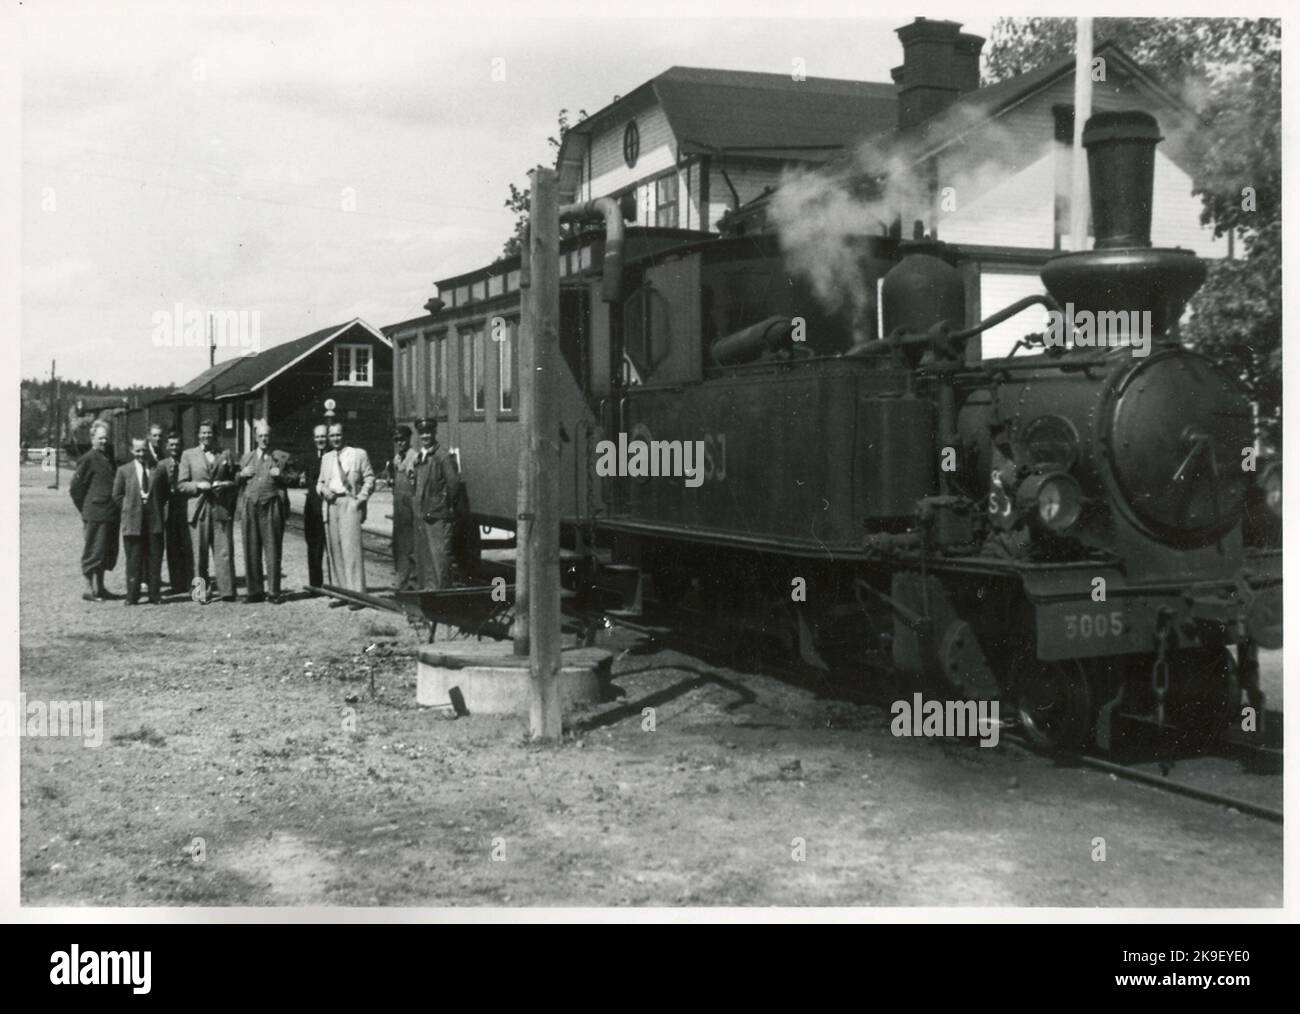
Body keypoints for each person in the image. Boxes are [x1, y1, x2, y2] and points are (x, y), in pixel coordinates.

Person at [177, 420, 238, 603]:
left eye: (209, 433)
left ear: (215, 435)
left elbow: (235, 479)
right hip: (199, 509)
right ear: (198, 435)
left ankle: (227, 591)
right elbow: (181, 484)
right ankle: (200, 592)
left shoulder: (225, 454)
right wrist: (197, 486)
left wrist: (226, 484)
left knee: (224, 551)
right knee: (199, 553)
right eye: (203, 433)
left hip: (219, 508)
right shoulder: (188, 455)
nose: (206, 436)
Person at [316, 421, 374, 604]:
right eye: (332, 435)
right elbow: (320, 483)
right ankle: (342, 594)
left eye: (338, 435)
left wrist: (360, 499)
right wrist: (324, 491)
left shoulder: (358, 454)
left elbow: (370, 478)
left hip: (350, 503)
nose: (335, 439)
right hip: (331, 504)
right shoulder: (326, 458)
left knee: (351, 550)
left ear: (344, 435)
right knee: (336, 550)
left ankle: (357, 596)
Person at [237, 419, 290, 603]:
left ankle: (274, 592)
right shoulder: (246, 458)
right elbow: (235, 479)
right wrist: (241, 475)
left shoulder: (280, 457)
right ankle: (255, 591)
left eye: (266, 435)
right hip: (250, 505)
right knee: (251, 548)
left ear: (270, 437)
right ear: (255, 437)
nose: (264, 439)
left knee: (272, 549)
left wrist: (280, 475)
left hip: (271, 505)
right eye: (260, 436)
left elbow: (295, 478)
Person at [113, 437, 168, 605]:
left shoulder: (158, 469)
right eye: (137, 450)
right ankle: (132, 596)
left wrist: (155, 508)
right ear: (132, 451)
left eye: (144, 450)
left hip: (153, 521)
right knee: (133, 559)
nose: (141, 454)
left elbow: (165, 493)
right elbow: (117, 495)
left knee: (154, 558)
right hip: (133, 522)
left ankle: (154, 594)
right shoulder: (124, 471)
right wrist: (130, 507)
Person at [69, 421, 119, 602]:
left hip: (110, 513)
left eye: (106, 438)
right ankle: (89, 589)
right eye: (100, 438)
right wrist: (86, 509)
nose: (104, 441)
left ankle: (101, 588)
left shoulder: (109, 457)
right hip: (96, 513)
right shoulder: (88, 459)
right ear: (92, 438)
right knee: (94, 551)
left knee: (105, 552)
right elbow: (76, 489)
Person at [412, 417, 462, 591]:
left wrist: (444, 507)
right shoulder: (420, 457)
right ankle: (429, 593)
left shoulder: (443, 457)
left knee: (440, 558)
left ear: (434, 433)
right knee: (425, 557)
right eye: (422, 433)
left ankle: (442, 596)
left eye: (428, 432)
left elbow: (454, 485)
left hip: (438, 516)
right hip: (422, 515)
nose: (425, 436)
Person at [161, 431, 194, 593]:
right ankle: (176, 584)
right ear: (167, 447)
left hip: (184, 507)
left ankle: (190, 582)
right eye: (172, 445)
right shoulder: (162, 464)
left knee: (187, 547)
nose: (175, 448)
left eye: (177, 445)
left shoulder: (186, 462)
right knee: (172, 548)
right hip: (169, 510)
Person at [386, 425, 418, 590]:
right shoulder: (397, 459)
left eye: (403, 439)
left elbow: (416, 485)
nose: (400, 443)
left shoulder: (414, 457)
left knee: (411, 546)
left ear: (409, 439)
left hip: (410, 508)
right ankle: (402, 580)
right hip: (399, 508)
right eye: (397, 440)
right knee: (399, 545)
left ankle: (412, 582)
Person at [300, 424, 329, 590]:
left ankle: (336, 585)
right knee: (313, 546)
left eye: (323, 436)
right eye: (317, 437)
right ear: (314, 439)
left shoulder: (333, 455)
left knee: (331, 547)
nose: (320, 440)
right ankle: (316, 584)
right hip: (312, 507)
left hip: (328, 506)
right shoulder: (310, 457)